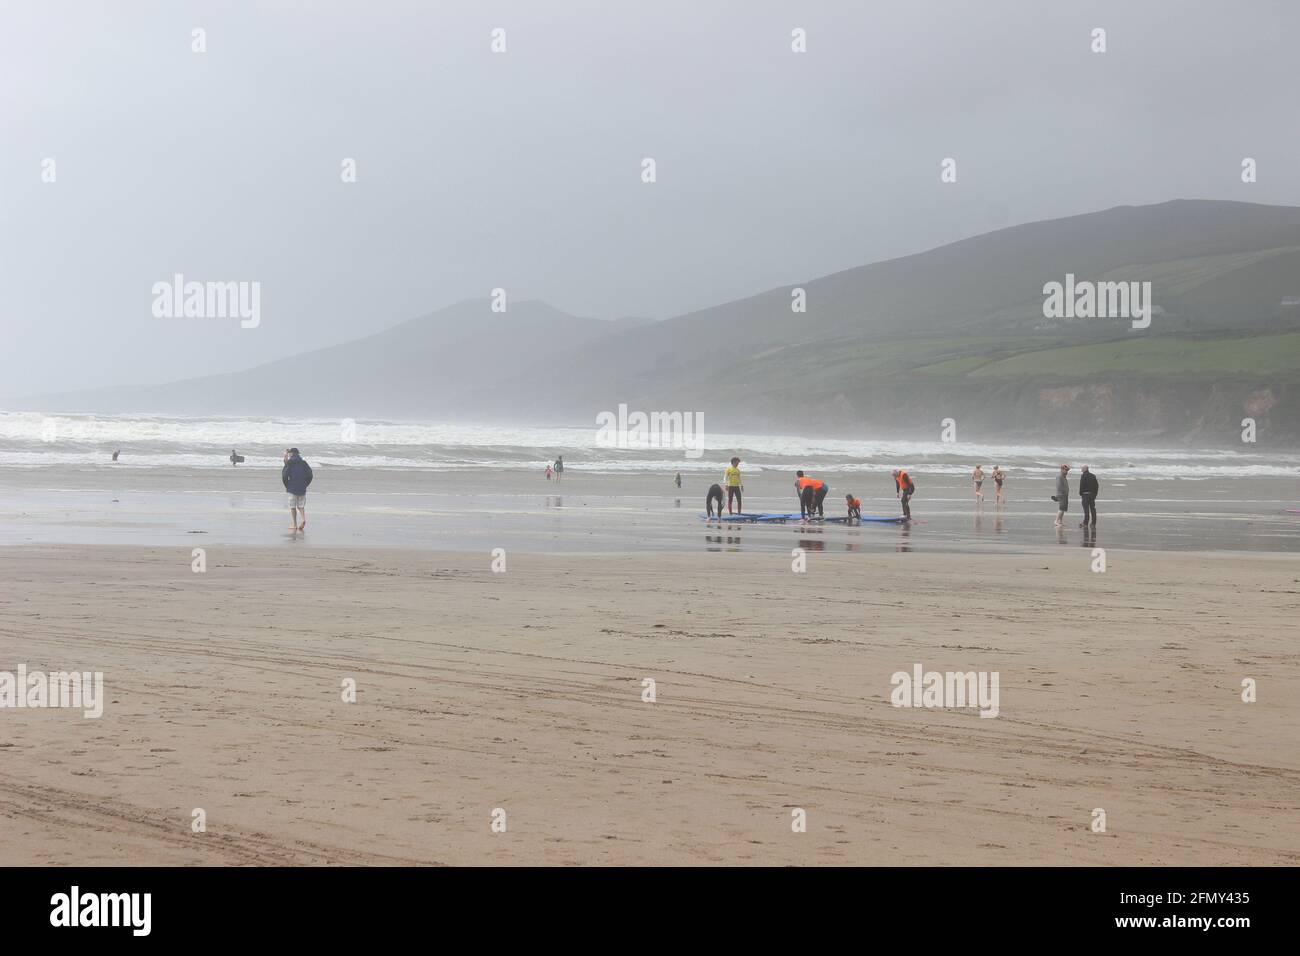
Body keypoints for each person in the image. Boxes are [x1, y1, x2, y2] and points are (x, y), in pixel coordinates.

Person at [282, 447, 314, 531]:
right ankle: (303, 519)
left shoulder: (290, 463)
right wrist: (306, 484)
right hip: (302, 487)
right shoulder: (303, 463)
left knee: (293, 507)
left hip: (292, 487)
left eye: (289, 453)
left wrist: (287, 485)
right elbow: (310, 475)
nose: (288, 454)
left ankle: (294, 524)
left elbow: (284, 475)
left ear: (291, 454)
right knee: (301, 506)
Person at [1052, 463, 1070, 528]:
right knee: (1061, 508)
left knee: (1064, 508)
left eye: (1067, 470)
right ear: (1062, 469)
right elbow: (1059, 486)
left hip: (1064, 494)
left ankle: (1060, 521)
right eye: (1066, 470)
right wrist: (1064, 492)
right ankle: (1056, 521)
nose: (1067, 472)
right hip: (1061, 494)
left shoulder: (1064, 477)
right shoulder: (1059, 476)